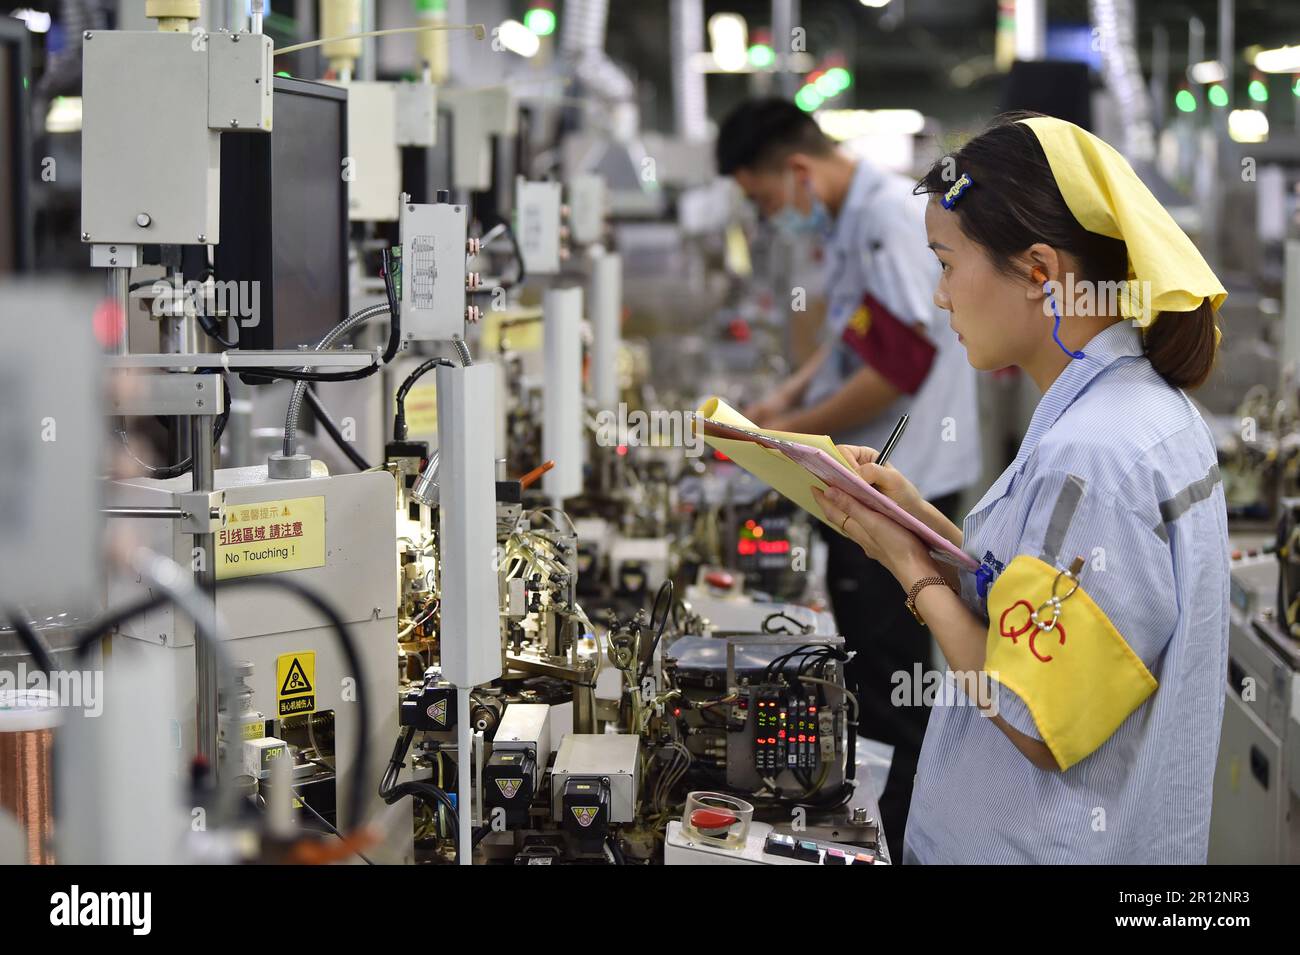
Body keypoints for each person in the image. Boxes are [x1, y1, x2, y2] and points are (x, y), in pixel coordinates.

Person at [813, 112, 1229, 863]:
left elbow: (1035, 711)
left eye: (946, 263)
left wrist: (907, 568)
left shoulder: (1095, 453)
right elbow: (1037, 612)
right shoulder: (1131, 410)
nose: (940, 298)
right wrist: (922, 525)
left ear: (1040, 273)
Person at [716, 98, 981, 851]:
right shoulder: (848, 217)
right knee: (870, 670)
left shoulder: (886, 217)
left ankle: (900, 841)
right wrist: (792, 394)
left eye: (767, 200)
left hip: (900, 483)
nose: (773, 216)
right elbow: (855, 337)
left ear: (797, 170)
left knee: (886, 693)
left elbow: (900, 364)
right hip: (870, 479)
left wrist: (779, 435)